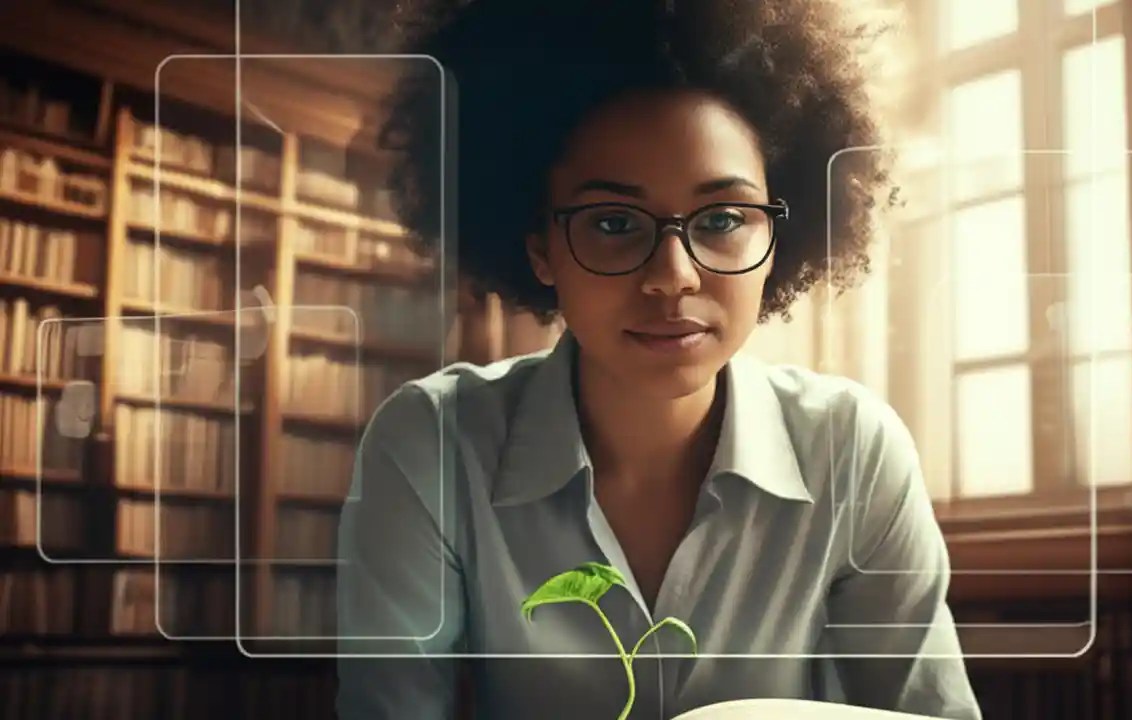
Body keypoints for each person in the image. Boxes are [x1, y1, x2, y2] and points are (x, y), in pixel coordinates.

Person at [335, 1, 982, 718]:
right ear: (539, 248)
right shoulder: (431, 444)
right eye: (614, 223)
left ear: (783, 230)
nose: (673, 274)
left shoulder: (854, 450)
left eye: (722, 220)